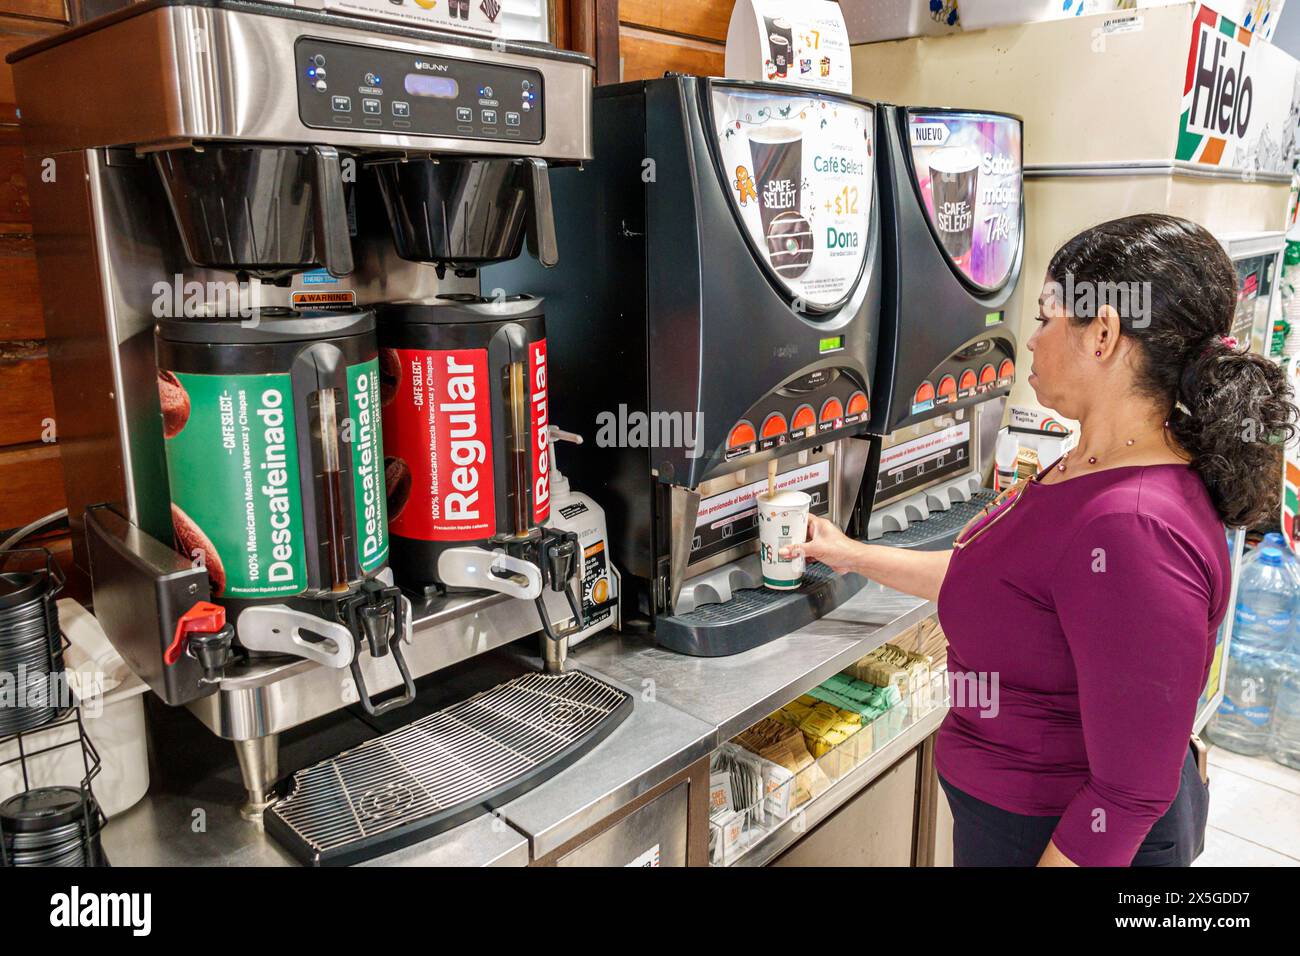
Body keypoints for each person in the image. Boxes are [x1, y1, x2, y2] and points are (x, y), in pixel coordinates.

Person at [786, 214, 1297, 866]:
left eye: (1046, 317)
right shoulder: (1091, 460)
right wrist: (849, 554)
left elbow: (1128, 794)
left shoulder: (1132, 526)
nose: (1029, 341)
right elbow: (1008, 585)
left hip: (1052, 841)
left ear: (1103, 334)